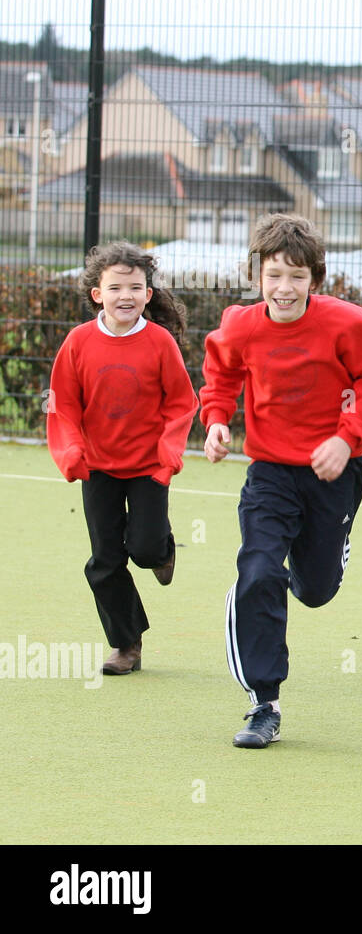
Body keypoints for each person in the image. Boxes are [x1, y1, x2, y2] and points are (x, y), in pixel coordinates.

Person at [200, 213, 362, 748]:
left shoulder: (347, 324)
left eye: (296, 275)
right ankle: (263, 703)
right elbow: (221, 371)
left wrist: (347, 437)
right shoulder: (241, 325)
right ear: (256, 276)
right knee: (259, 570)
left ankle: (334, 548)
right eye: (273, 275)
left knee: (314, 590)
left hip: (333, 471)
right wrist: (216, 419)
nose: (284, 288)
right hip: (269, 472)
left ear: (315, 277)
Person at [46, 242, 198, 676]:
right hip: (98, 468)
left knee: (145, 549)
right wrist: (71, 450)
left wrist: (168, 453)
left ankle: (163, 550)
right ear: (98, 294)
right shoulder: (78, 342)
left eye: (134, 287)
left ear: (148, 294)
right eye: (115, 288)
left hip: (149, 467)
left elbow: (181, 403)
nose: (125, 296)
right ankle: (126, 644)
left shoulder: (160, 342)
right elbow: (63, 405)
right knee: (105, 561)